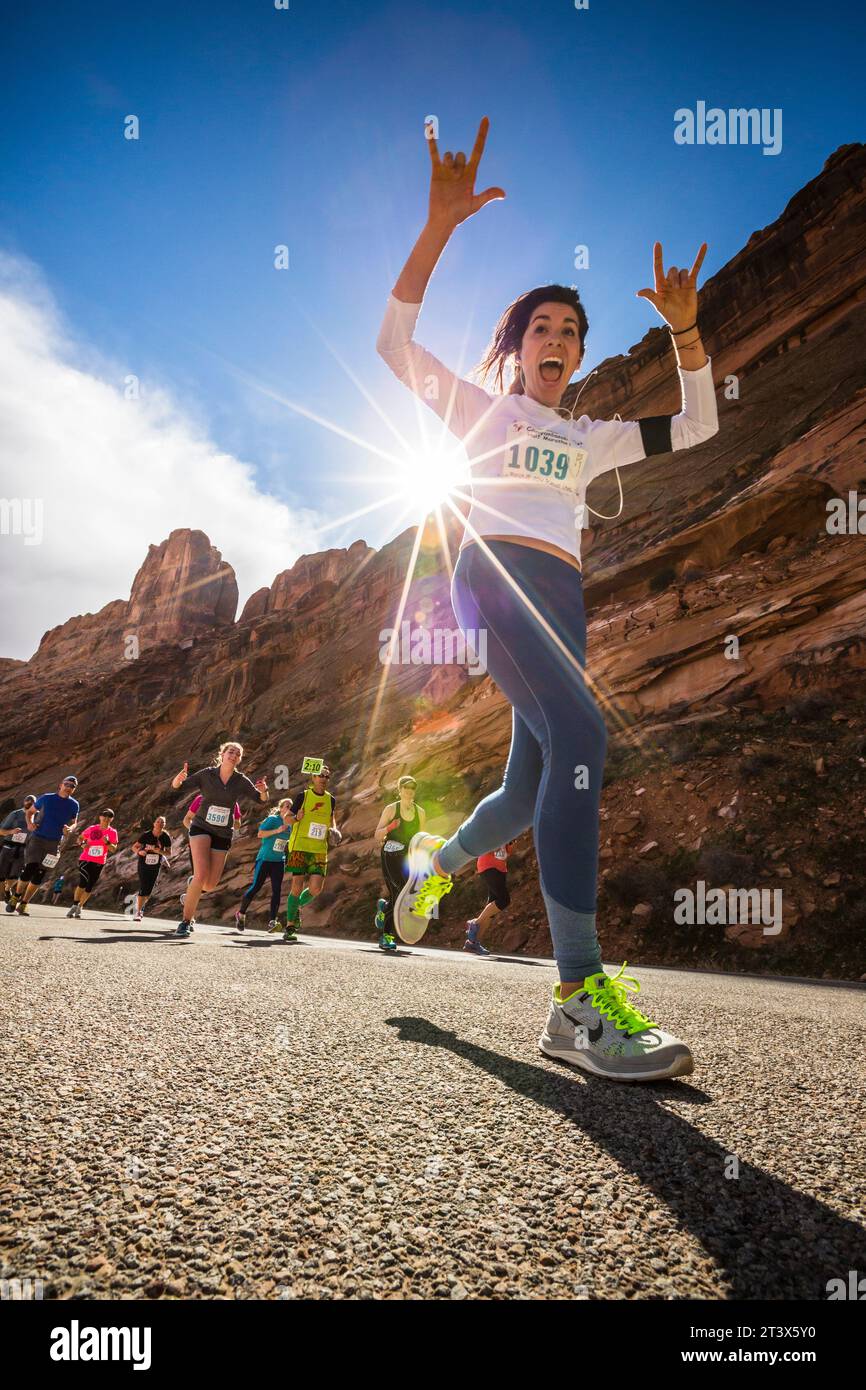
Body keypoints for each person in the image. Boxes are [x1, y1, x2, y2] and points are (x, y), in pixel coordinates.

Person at [377, 118, 717, 1081]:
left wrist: (688, 334)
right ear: (516, 348)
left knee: (529, 792)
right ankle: (577, 996)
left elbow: (698, 425)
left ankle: (432, 866)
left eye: (571, 330)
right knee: (588, 740)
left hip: (563, 603)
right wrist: (440, 224)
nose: (557, 339)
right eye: (541, 327)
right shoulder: (483, 412)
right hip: (497, 582)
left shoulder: (592, 438)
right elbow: (390, 342)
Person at [170, 742, 268, 938]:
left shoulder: (240, 780)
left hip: (223, 833)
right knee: (201, 875)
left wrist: (264, 790)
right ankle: (185, 922)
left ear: (239, 759)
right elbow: (179, 787)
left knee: (210, 884)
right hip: (201, 827)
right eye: (230, 751)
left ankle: (194, 884)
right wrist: (177, 780)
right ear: (222, 754)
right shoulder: (207, 774)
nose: (233, 755)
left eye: (237, 754)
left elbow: (261, 799)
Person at [282, 766, 340, 944]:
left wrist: (334, 830)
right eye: (319, 775)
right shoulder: (303, 796)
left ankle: (296, 906)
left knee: (316, 889)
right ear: (313, 778)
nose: (323, 778)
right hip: (299, 846)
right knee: (297, 885)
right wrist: (296, 818)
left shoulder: (331, 799)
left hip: (319, 849)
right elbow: (287, 818)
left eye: (326, 776)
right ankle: (290, 926)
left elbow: (331, 819)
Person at [8, 776, 80, 916]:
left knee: (40, 874)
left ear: (74, 789)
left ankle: (24, 904)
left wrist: (71, 828)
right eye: (67, 784)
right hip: (38, 838)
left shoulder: (74, 804)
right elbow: (30, 812)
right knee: (31, 868)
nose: (69, 787)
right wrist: (30, 823)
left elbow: (74, 821)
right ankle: (16, 896)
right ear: (61, 785)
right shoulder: (47, 798)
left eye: (72, 786)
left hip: (54, 842)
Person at [372, 776, 427, 952]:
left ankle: (384, 908)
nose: (409, 790)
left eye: (413, 787)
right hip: (390, 854)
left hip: (407, 858)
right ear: (400, 789)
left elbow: (420, 838)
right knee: (399, 892)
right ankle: (386, 935)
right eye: (406, 787)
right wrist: (390, 828)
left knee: (404, 894)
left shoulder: (420, 813)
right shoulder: (391, 809)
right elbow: (377, 834)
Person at [235, 799, 293, 933]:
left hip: (279, 861)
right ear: (281, 808)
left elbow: (286, 842)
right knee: (256, 886)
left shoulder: (291, 825)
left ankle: (272, 921)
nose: (289, 808)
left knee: (277, 890)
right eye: (287, 806)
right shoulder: (273, 819)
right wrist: (277, 830)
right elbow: (260, 834)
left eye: (291, 807)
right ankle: (241, 913)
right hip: (265, 858)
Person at [465, 842, 514, 956]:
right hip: (489, 866)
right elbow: (485, 846)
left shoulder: (509, 831)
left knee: (492, 907)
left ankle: (472, 943)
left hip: (500, 868)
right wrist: (500, 842)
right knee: (504, 900)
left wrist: (509, 843)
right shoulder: (495, 827)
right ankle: (475, 923)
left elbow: (506, 854)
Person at [67, 810, 118, 918]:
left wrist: (107, 842)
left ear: (112, 819)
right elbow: (80, 838)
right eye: (104, 815)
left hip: (99, 861)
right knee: (83, 881)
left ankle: (80, 906)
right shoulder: (92, 828)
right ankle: (74, 905)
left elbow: (113, 849)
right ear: (100, 817)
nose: (106, 818)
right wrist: (83, 844)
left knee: (90, 885)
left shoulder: (112, 832)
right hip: (86, 859)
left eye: (110, 816)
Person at [131, 816, 172, 922]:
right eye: (158, 821)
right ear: (154, 824)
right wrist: (139, 852)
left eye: (162, 822)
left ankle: (141, 906)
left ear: (164, 825)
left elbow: (169, 853)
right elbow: (134, 847)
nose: (160, 823)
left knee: (149, 890)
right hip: (143, 863)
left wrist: (159, 851)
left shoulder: (165, 837)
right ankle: (138, 912)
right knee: (144, 886)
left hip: (155, 864)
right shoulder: (146, 835)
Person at [0, 795, 35, 902]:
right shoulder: (15, 814)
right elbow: (1, 831)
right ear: (24, 802)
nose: (29, 802)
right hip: (8, 846)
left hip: (24, 850)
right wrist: (11, 831)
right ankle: (5, 892)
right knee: (1, 874)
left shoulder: (38, 817)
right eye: (27, 800)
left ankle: (7, 888)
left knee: (16, 875)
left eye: (32, 801)